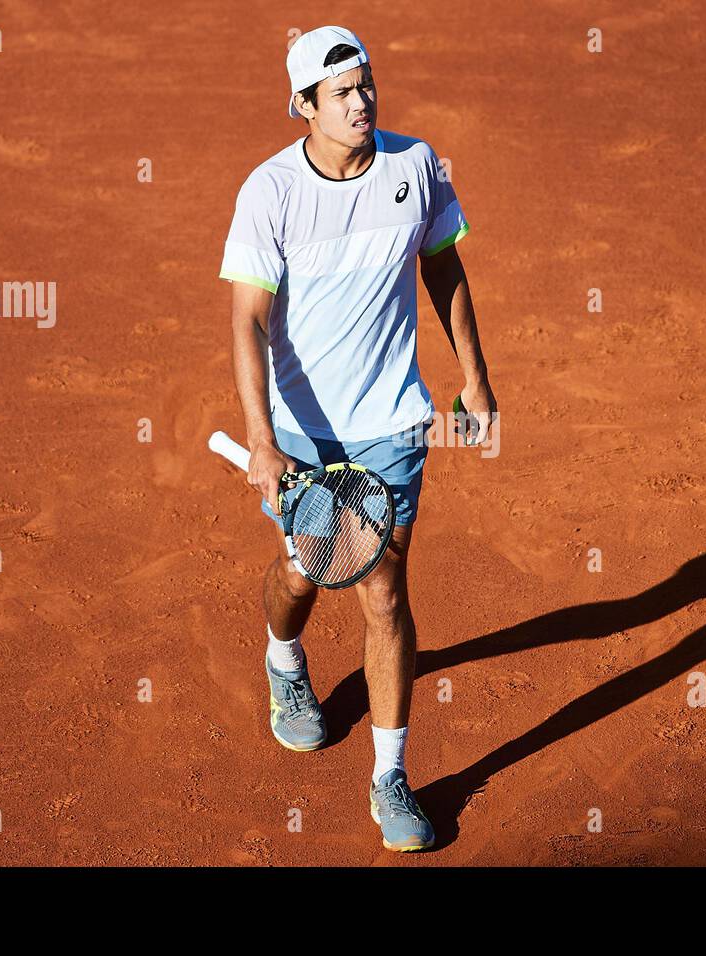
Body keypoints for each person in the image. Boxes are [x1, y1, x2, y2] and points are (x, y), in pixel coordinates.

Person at [219, 25, 496, 851]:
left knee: (383, 587)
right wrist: (262, 440)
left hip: (390, 423)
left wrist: (475, 375)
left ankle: (390, 776)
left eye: (367, 85)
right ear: (302, 106)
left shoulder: (416, 167)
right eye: (340, 93)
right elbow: (248, 319)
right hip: (303, 435)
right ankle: (282, 658)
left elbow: (442, 265)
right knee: (304, 574)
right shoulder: (269, 194)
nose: (361, 102)